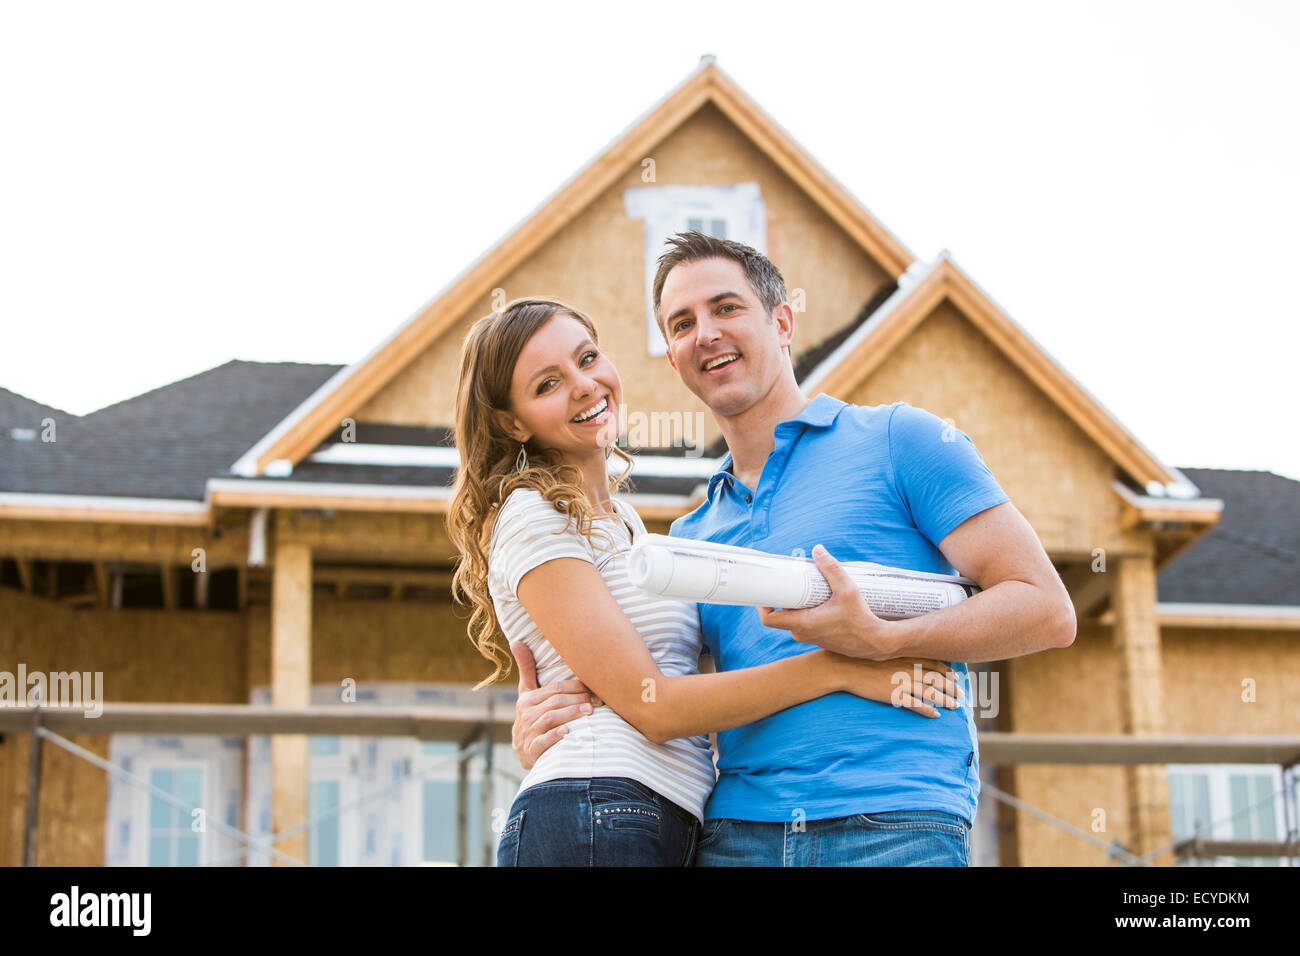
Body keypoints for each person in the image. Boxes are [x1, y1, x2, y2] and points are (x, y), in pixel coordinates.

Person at [511, 232, 1078, 867]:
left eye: (726, 308)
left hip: (894, 822)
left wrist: (884, 641)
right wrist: (556, 724)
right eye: (682, 323)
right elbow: (666, 693)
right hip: (734, 837)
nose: (706, 333)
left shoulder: (901, 441)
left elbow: (1045, 611)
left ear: (782, 322)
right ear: (672, 359)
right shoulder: (692, 538)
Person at [446, 296, 964, 867]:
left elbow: (694, 680)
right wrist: (839, 668)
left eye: (587, 358)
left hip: (667, 821)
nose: (584, 386)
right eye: (547, 384)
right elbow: (657, 707)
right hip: (597, 812)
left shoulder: (628, 526)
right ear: (512, 422)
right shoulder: (530, 514)